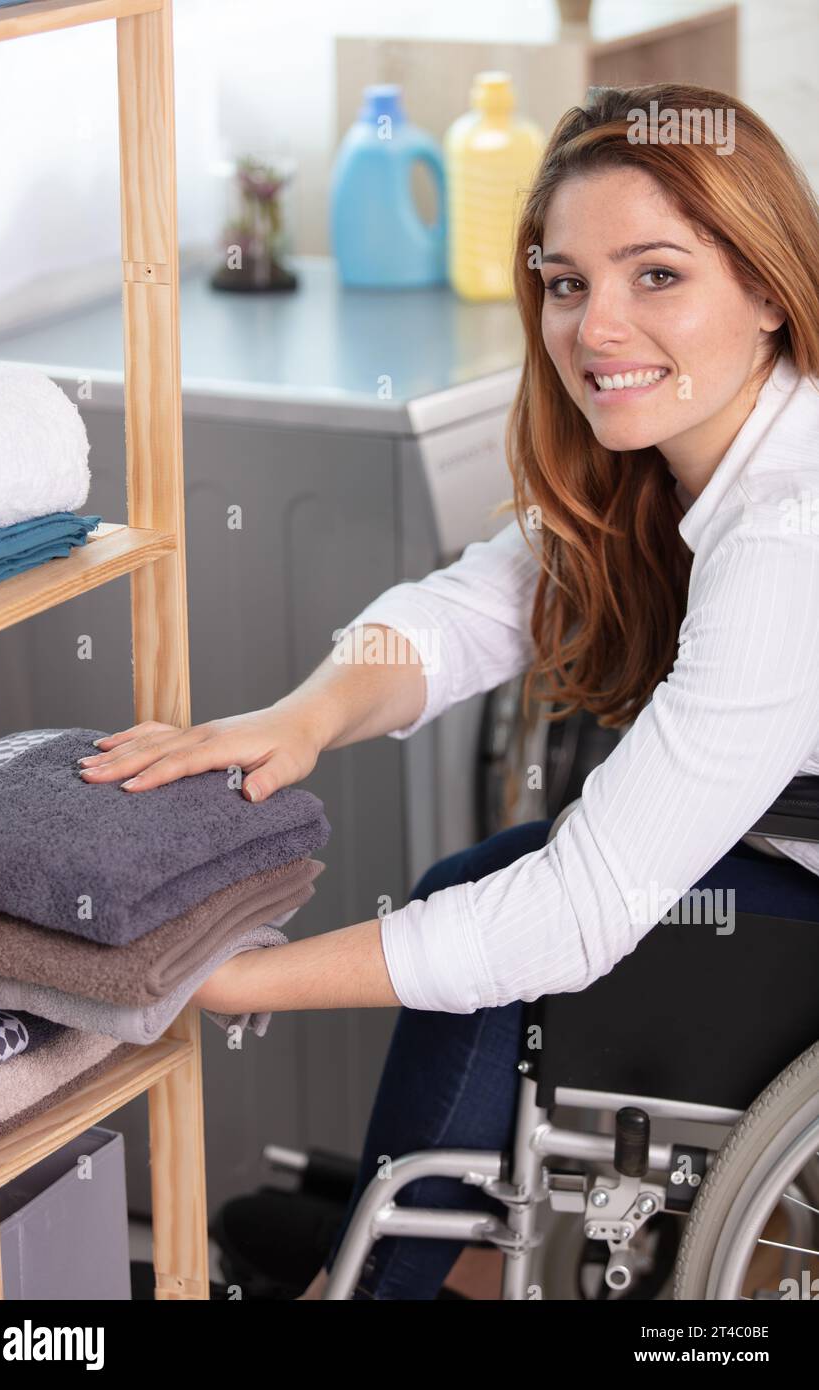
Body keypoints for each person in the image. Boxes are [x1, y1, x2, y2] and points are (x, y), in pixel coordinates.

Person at [76, 82, 819, 1299]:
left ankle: (392, 1277)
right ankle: (434, 1259)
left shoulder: (786, 533)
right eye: (567, 284)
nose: (596, 328)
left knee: (491, 907)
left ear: (769, 290)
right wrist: (301, 717)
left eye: (656, 275)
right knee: (479, 891)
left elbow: (572, 914)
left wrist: (232, 978)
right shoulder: (682, 454)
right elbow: (475, 605)